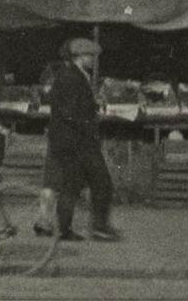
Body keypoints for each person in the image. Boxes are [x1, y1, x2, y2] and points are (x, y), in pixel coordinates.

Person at [46, 36, 122, 242]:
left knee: (71, 185)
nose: (93, 60)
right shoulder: (71, 77)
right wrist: (91, 121)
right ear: (80, 56)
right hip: (77, 141)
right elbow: (71, 112)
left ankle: (64, 230)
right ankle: (99, 228)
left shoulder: (74, 74)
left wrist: (92, 106)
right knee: (102, 182)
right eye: (90, 55)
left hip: (70, 141)